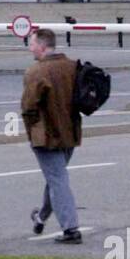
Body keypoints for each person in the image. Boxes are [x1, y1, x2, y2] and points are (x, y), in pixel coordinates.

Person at [21, 27, 83, 244]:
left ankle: (71, 228)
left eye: (32, 43)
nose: (30, 48)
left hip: (46, 136)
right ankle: (41, 217)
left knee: (57, 179)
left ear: (43, 46)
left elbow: (28, 107)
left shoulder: (36, 72)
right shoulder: (72, 67)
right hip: (70, 133)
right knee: (56, 177)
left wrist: (31, 131)